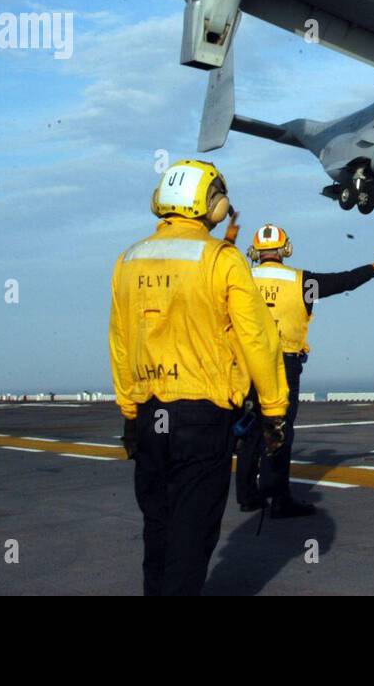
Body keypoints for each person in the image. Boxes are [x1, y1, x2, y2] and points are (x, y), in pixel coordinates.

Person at [109, 159, 289, 595]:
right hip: (202, 421)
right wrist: (274, 411)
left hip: (151, 419)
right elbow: (258, 341)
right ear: (212, 204)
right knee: (192, 535)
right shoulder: (221, 260)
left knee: (159, 529)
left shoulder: (128, 259)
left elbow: (120, 342)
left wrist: (130, 413)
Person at [236, 223, 374, 517]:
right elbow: (343, 281)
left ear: (255, 252)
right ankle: (278, 499)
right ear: (286, 250)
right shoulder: (301, 282)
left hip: (245, 362)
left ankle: (247, 495)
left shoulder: (241, 279)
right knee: (279, 429)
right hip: (284, 362)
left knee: (250, 428)